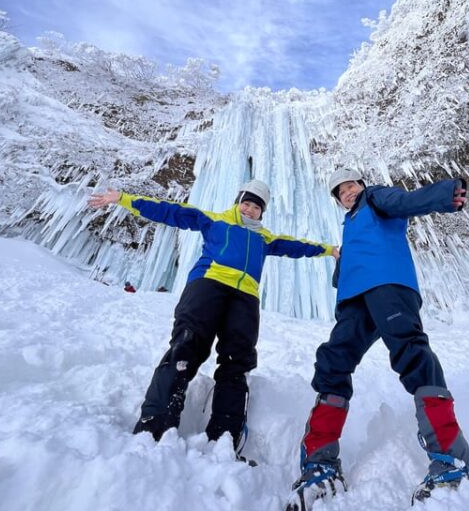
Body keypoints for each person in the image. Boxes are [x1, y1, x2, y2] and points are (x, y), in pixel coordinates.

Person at [88, 180, 339, 459]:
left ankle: (225, 433)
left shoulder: (265, 238)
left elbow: (297, 246)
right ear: (237, 201)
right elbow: (170, 211)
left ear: (262, 212)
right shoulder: (214, 221)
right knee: (187, 344)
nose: (250, 209)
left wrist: (329, 250)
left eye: (257, 207)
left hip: (246, 297)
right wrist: (123, 198)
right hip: (208, 284)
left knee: (237, 360)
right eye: (247, 202)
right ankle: (155, 421)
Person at [285, 169, 469, 510]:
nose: (348, 192)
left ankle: (450, 457)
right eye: (340, 191)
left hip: (388, 284)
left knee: (410, 351)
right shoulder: (349, 224)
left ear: (363, 185)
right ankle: (320, 460)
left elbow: (405, 202)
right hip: (355, 300)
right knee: (334, 361)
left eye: (352, 185)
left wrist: (446, 195)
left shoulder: (376, 198)